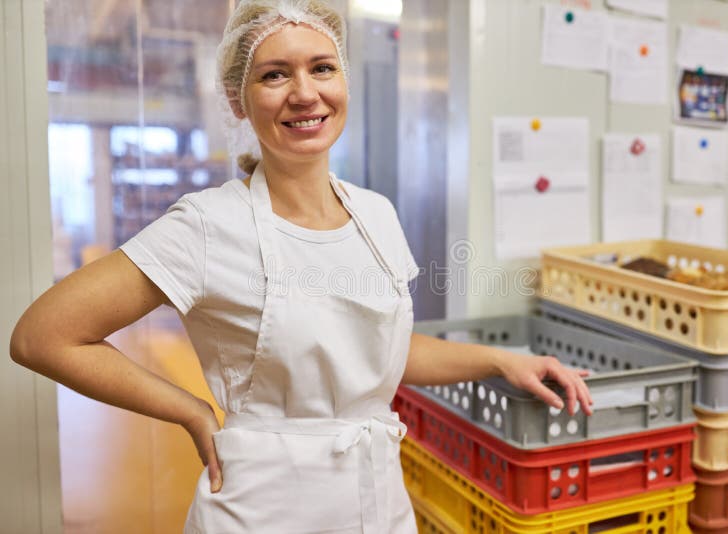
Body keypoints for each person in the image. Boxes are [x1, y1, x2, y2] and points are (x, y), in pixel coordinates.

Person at [10, 0, 593, 532]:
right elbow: (44, 336)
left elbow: (376, 351)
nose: (304, 93)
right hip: (259, 509)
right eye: (274, 74)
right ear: (239, 100)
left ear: (343, 82)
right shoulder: (208, 226)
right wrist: (187, 408)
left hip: (378, 502)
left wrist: (500, 361)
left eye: (321, 68)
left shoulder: (375, 214)